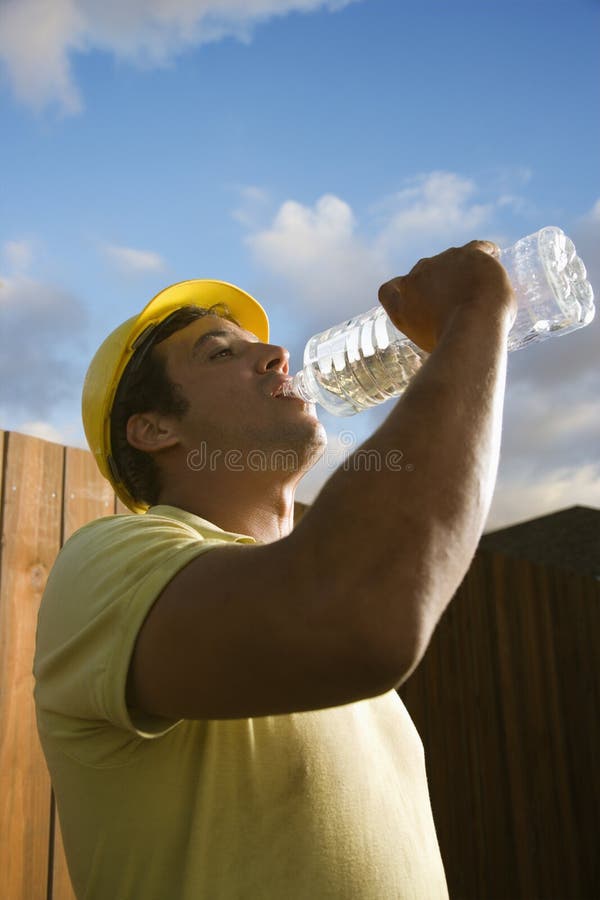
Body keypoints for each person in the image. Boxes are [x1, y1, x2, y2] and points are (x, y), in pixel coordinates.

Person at [33, 243, 517, 900]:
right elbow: (356, 613)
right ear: (153, 429)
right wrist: (476, 312)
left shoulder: (320, 606)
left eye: (259, 344)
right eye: (220, 353)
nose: (277, 355)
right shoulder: (107, 564)